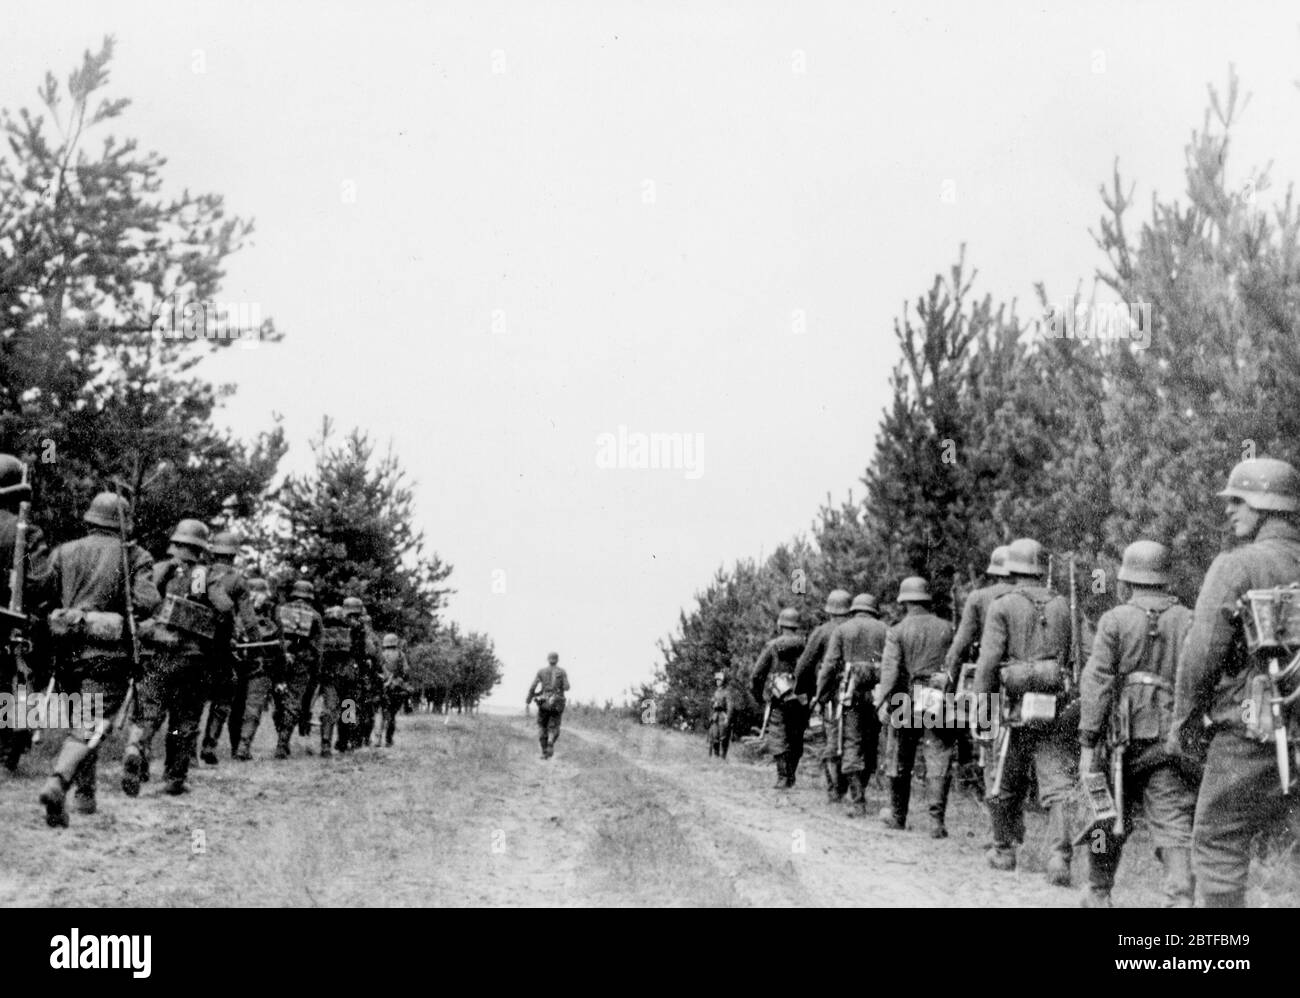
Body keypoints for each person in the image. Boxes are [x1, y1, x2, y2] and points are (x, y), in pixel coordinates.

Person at [1169, 457, 1300, 907]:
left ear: (1266, 505)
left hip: (1250, 729)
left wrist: (1183, 724)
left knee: (1218, 839)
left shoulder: (1236, 564)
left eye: (1239, 500)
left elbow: (1201, 653)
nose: (1229, 510)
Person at [1078, 540, 1195, 908]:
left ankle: (1097, 891)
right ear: (1165, 578)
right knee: (1172, 818)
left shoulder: (1114, 620)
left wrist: (1087, 741)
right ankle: (1180, 896)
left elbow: (1096, 683)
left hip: (1119, 740)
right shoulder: (1188, 619)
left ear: (1127, 578)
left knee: (1105, 814)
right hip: (1169, 736)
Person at [36, 491, 157, 826]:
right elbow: (148, 601)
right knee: (89, 725)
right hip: (107, 655)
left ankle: (85, 798)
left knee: (81, 722)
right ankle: (58, 783)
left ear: (90, 520)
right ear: (123, 523)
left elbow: (42, 591)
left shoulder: (64, 551)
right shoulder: (135, 555)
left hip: (68, 653)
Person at [974, 537, 1076, 885]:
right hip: (1056, 711)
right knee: (1060, 785)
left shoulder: (1002, 606)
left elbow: (988, 665)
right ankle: (1059, 857)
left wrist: (982, 710)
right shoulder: (1064, 605)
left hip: (1012, 710)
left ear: (1012, 569)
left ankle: (1003, 851)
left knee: (1003, 777)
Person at [123, 519, 228, 797]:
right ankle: (174, 778)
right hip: (193, 658)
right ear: (201, 548)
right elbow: (225, 608)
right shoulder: (205, 576)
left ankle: (136, 748)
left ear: (175, 544)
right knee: (185, 719)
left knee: (149, 710)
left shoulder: (158, 569)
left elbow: (142, 604)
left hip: (158, 653)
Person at [873, 577, 957, 837]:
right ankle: (936, 823)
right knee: (938, 756)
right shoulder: (947, 627)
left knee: (899, 756)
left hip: (905, 697)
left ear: (905, 601)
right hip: (937, 695)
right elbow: (956, 663)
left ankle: (898, 817)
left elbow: (890, 671)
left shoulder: (897, 631)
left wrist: (882, 702)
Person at [945, 546, 1014, 790]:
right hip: (1029, 682)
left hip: (990, 681)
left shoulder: (979, 597)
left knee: (989, 744)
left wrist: (948, 687)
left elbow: (959, 648)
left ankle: (995, 799)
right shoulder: (1040, 596)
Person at [0, 455, 51, 775]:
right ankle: (7, 752)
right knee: (14, 684)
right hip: (10, 621)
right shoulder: (26, 531)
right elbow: (41, 581)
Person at [818, 593, 888, 817]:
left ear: (854, 610)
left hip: (850, 693)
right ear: (874, 610)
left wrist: (821, 693)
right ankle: (859, 791)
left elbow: (829, 665)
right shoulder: (886, 629)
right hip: (878, 694)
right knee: (870, 743)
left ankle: (857, 800)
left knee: (851, 743)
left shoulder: (843, 630)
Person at [197, 530, 256, 764]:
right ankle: (209, 745)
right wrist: (255, 644)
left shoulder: (201, 574)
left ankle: (187, 751)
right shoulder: (237, 580)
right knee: (223, 696)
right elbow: (249, 619)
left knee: (193, 701)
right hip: (221, 648)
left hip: (197, 646)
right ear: (233, 556)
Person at [797, 590, 852, 802]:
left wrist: (806, 692)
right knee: (852, 739)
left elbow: (804, 665)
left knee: (831, 738)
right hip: (856, 690)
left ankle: (834, 790)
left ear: (829, 610)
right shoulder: (853, 628)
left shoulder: (822, 632)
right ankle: (849, 789)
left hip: (831, 692)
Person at [750, 607, 808, 789]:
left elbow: (756, 675)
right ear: (797, 625)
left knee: (778, 735)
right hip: (801, 697)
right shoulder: (805, 645)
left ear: (780, 624)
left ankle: (783, 777)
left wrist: (759, 697)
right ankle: (791, 774)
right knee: (796, 736)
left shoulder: (773, 646)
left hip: (778, 697)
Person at [232, 576, 284, 760]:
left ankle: (234, 747)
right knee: (252, 708)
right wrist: (280, 676)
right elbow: (279, 645)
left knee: (236, 707)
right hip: (262, 667)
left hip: (238, 665)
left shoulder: (236, 614)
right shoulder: (272, 614)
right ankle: (242, 748)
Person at [273, 580, 323, 759]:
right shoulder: (315, 616)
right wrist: (316, 672)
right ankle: (282, 743)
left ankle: (281, 738)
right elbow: (318, 648)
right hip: (302, 663)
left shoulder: (279, 610)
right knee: (293, 702)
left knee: (279, 702)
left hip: (279, 660)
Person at [527, 652, 569, 758]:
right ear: (557, 660)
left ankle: (544, 751)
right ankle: (550, 740)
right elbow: (567, 687)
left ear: (548, 659)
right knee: (554, 725)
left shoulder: (541, 671)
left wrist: (529, 699)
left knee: (542, 725)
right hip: (557, 702)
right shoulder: (562, 671)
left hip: (544, 702)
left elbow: (533, 687)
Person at [378, 633, 408, 748]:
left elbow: (377, 669)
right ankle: (388, 740)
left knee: (382, 712)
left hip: (383, 687)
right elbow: (406, 671)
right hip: (397, 687)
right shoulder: (401, 655)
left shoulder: (382, 655)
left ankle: (378, 739)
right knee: (392, 714)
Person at [707, 670, 736, 759]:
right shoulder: (716, 692)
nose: (717, 682)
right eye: (716, 680)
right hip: (715, 716)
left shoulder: (727, 692)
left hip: (723, 716)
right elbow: (711, 705)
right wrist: (713, 705)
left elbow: (730, 706)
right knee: (714, 737)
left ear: (723, 681)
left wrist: (728, 718)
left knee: (723, 738)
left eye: (719, 680)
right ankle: (716, 756)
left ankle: (723, 756)